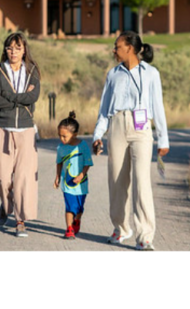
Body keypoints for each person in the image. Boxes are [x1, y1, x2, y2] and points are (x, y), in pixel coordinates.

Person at [91, 30, 169, 250]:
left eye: (117, 46)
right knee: (116, 181)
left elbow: (158, 107)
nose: (114, 50)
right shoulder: (112, 74)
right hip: (116, 125)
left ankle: (145, 236)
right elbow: (104, 109)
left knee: (141, 181)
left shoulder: (151, 73)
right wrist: (98, 135)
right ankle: (121, 229)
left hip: (141, 128)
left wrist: (163, 139)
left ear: (130, 49)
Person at [0, 31, 40, 236]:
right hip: (2, 128)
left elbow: (33, 97)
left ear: (24, 49)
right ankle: (6, 205)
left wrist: (10, 95)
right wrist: (21, 97)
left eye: (18, 48)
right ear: (5, 50)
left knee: (23, 178)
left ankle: (20, 220)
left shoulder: (32, 72)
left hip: (26, 129)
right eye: (9, 48)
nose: (13, 52)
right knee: (2, 178)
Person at [52, 110, 94, 238]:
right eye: (60, 136)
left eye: (64, 136)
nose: (61, 139)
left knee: (79, 207)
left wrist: (81, 175)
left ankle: (77, 220)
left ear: (75, 134)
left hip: (81, 184)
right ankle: (69, 228)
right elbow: (59, 163)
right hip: (67, 183)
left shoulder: (83, 146)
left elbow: (88, 162)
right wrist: (57, 177)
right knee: (70, 206)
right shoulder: (61, 148)